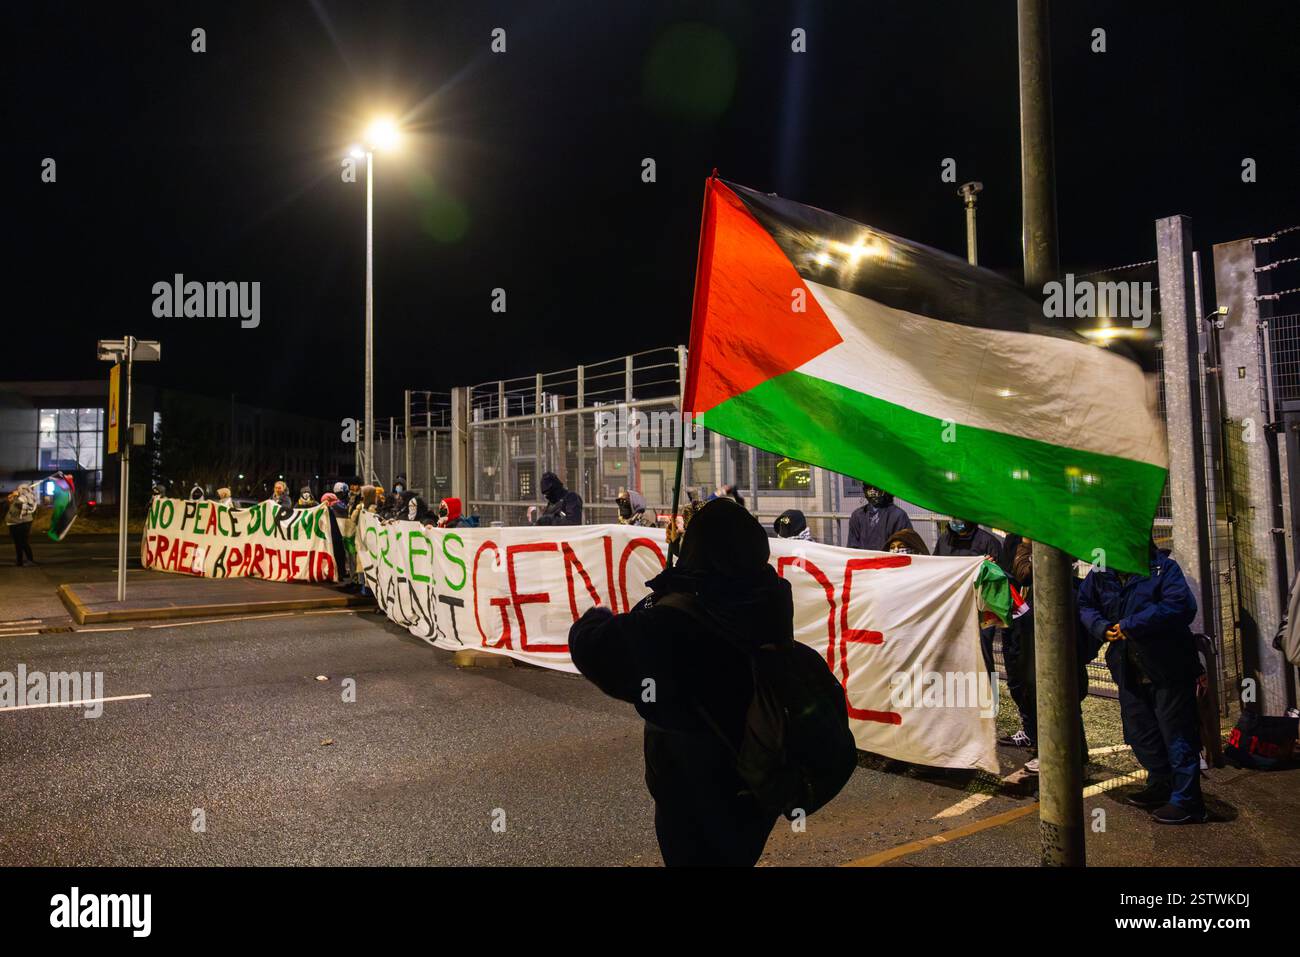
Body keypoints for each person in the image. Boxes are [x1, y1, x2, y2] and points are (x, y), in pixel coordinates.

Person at [569, 498, 786, 866]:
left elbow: (597, 647)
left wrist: (603, 615)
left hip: (693, 779)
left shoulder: (680, 618)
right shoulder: (770, 598)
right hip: (754, 772)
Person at [1078, 540, 1206, 824]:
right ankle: (1161, 783)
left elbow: (1181, 606)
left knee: (1177, 735)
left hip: (1167, 666)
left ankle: (1188, 801)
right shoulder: (1102, 571)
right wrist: (1100, 626)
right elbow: (1084, 603)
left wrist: (1129, 625)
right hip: (1129, 667)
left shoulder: (1163, 569)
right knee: (1140, 732)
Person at [846, 484, 913, 551]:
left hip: (889, 560)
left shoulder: (898, 516)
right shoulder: (857, 515)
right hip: (864, 560)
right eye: (868, 487)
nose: (872, 492)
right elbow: (852, 549)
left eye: (875, 487)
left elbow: (904, 549)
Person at [6, 484, 38, 567]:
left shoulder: (26, 498)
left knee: (23, 542)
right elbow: (10, 501)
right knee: (17, 543)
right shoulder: (19, 497)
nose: (16, 490)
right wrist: (12, 496)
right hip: (14, 523)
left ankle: (30, 560)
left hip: (22, 523)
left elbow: (23, 505)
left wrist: (15, 496)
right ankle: (19, 561)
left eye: (18, 489)